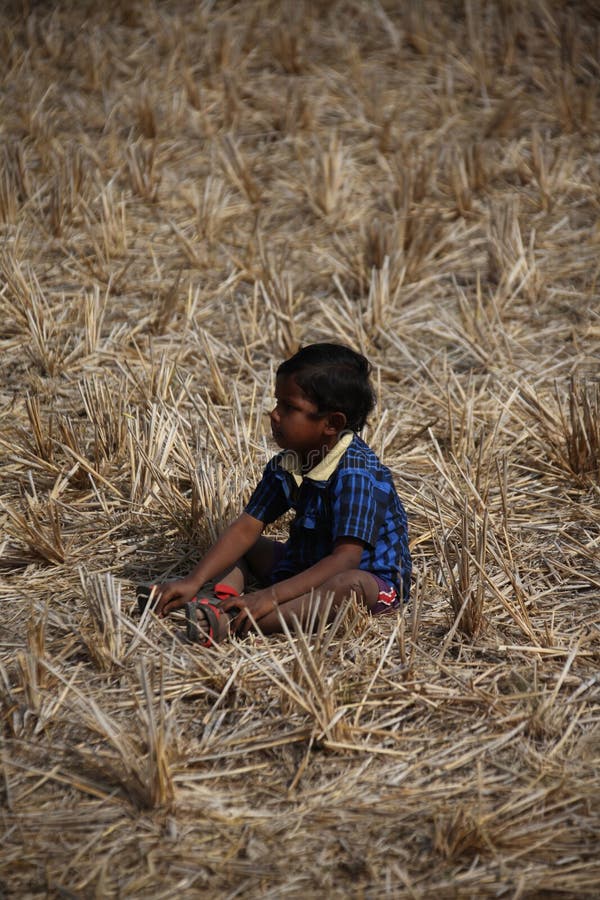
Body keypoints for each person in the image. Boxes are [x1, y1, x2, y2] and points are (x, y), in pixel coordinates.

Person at [138, 343, 411, 645]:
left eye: (289, 407)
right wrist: (193, 580)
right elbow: (246, 527)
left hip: (370, 581)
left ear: (332, 423)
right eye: (277, 402)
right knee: (244, 544)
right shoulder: (288, 463)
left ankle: (234, 621)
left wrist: (271, 595)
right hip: (305, 565)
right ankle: (217, 599)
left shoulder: (357, 475)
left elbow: (345, 560)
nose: (274, 414)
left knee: (349, 587)